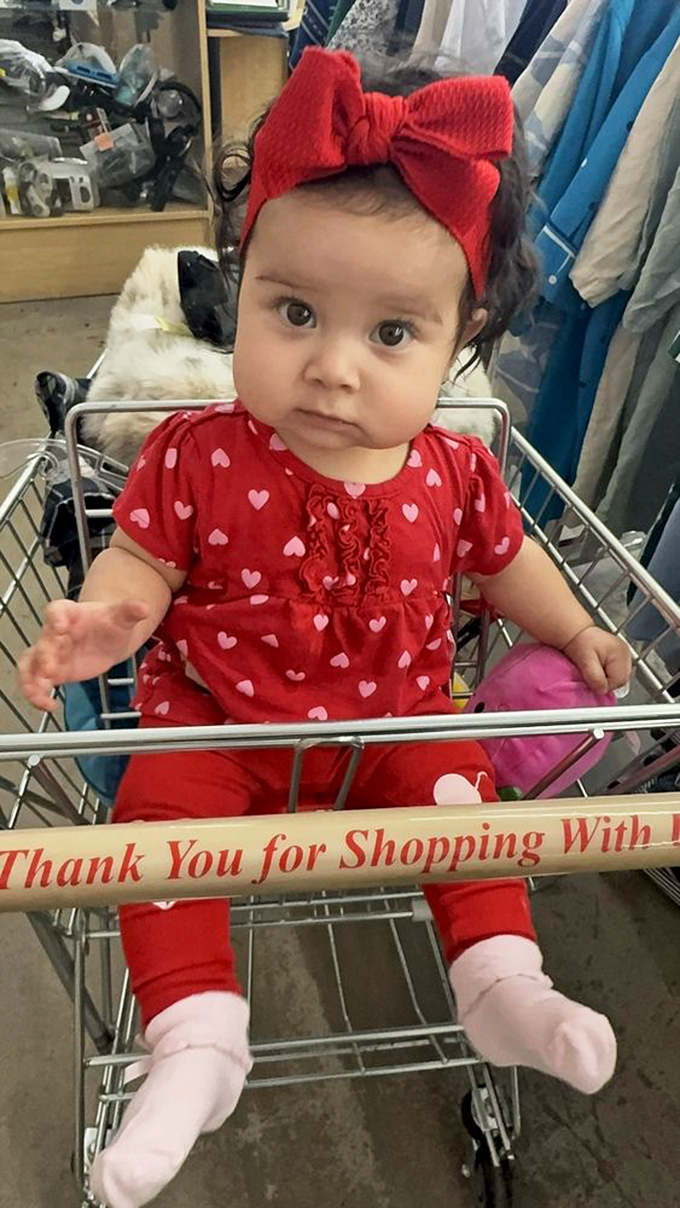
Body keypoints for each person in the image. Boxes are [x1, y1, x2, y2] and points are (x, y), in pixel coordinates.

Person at [20, 48, 631, 1208]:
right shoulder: (193, 452)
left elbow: (506, 567)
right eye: (292, 310)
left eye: (390, 333)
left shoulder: (453, 467)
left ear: (465, 335)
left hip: (396, 719)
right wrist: (114, 614)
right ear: (238, 286)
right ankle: (195, 1039)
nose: (332, 368)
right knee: (149, 820)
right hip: (215, 726)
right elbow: (141, 556)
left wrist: (582, 630)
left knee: (463, 796)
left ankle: (500, 979)